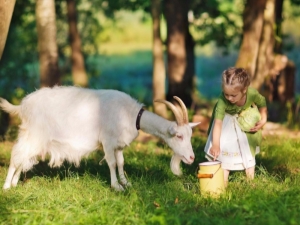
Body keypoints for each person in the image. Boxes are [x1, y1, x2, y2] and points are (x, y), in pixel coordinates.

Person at [204, 67, 267, 187]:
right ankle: (223, 183)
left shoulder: (252, 93)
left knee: (247, 152)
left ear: (244, 90)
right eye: (226, 94)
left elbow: (262, 102)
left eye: (233, 95)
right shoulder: (222, 101)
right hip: (226, 124)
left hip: (244, 121)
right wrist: (216, 144)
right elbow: (218, 123)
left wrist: (263, 118)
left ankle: (250, 182)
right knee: (225, 153)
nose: (229, 98)